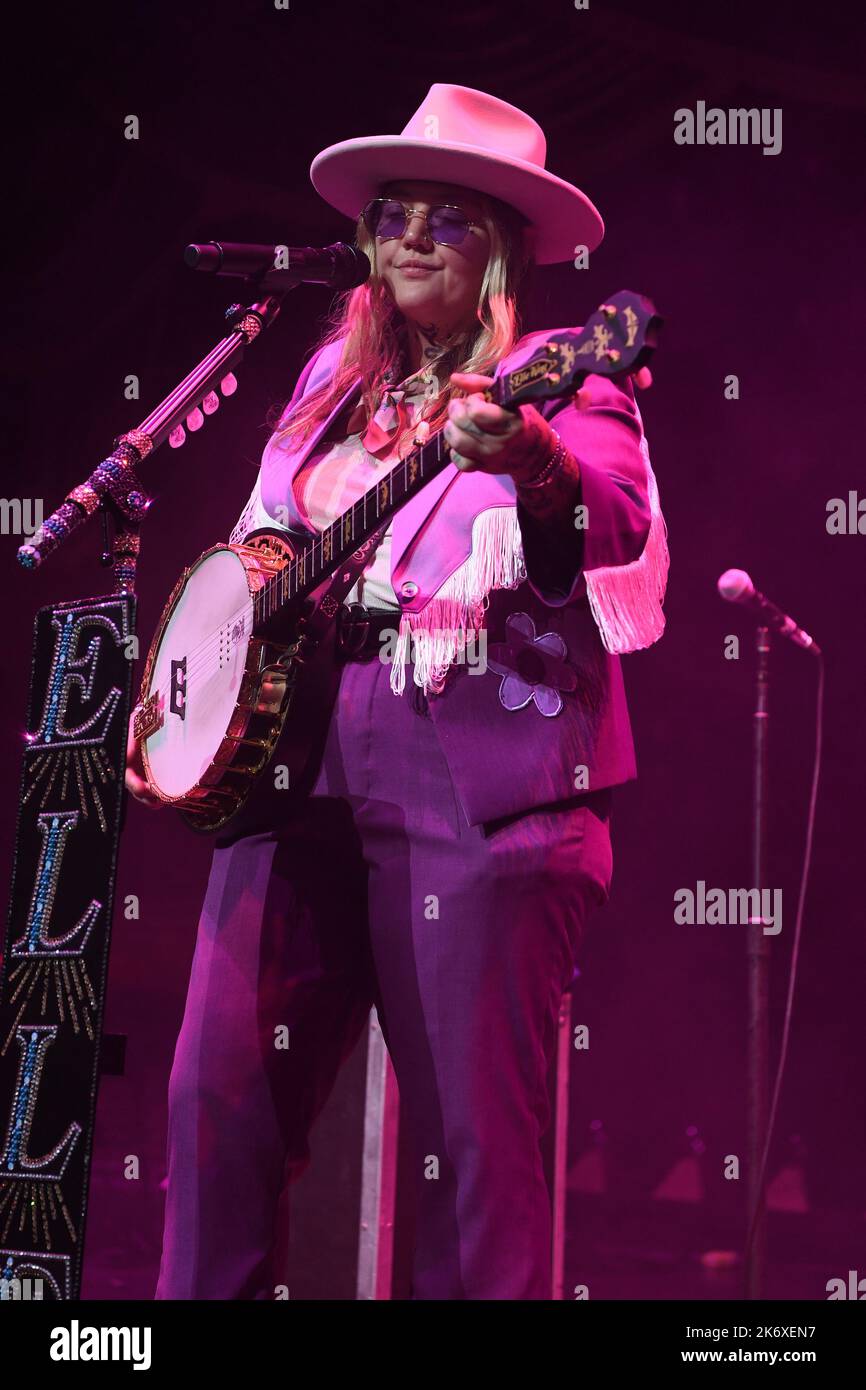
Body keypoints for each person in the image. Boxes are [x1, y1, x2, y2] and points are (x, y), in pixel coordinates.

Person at [126, 82, 669, 1300]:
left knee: (474, 1161)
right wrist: (178, 717)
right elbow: (247, 575)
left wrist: (531, 458)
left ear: (505, 250)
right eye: (393, 214)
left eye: (451, 217)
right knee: (214, 1105)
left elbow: (612, 524)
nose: (413, 235)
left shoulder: (562, 381)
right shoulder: (327, 389)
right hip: (295, 766)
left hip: (475, 780)